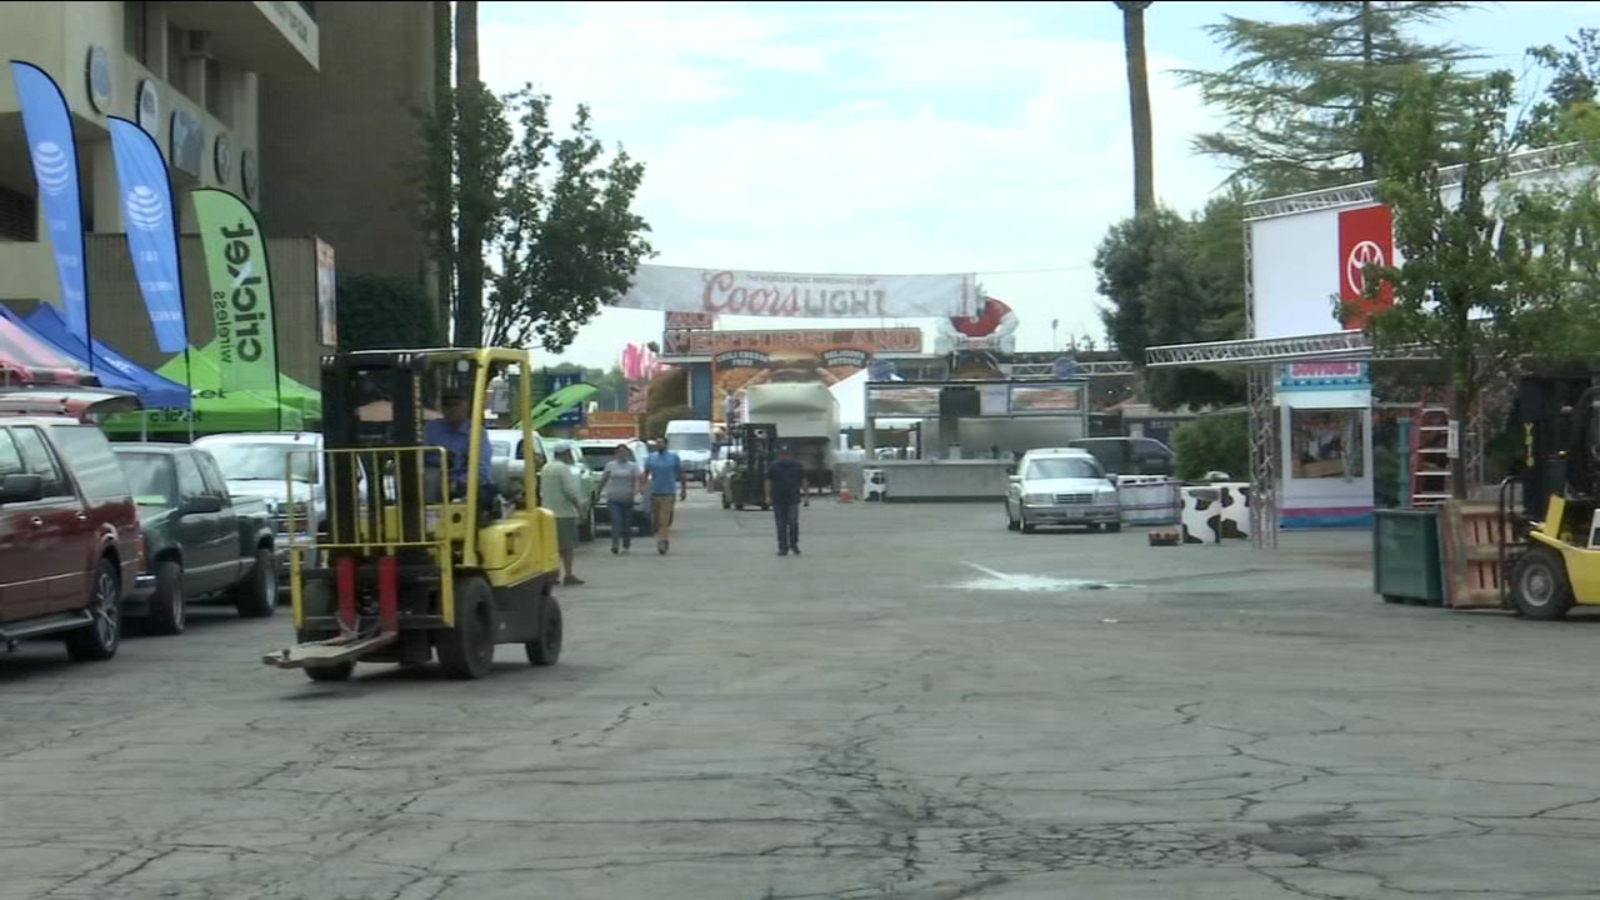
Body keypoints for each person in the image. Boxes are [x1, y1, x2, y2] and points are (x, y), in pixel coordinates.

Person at [424, 390, 494, 502]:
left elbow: (482, 470)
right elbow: (417, 456)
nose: (451, 409)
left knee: (481, 493)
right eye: (446, 405)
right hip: (435, 480)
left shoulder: (476, 432)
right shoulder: (431, 429)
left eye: (455, 404)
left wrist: (457, 483)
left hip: (464, 485)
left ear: (465, 406)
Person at [540, 441, 587, 585]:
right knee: (567, 547)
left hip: (548, 512)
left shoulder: (546, 467)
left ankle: (552, 574)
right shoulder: (563, 469)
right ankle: (568, 574)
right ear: (565, 453)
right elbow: (569, 491)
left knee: (552, 547)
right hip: (563, 512)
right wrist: (579, 508)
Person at [597, 442, 645, 555]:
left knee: (626, 523)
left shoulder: (632, 466)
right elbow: (604, 479)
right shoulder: (610, 465)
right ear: (616, 454)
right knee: (616, 522)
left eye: (624, 452)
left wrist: (637, 490)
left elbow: (639, 479)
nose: (622, 454)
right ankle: (615, 544)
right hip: (613, 498)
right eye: (619, 452)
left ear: (627, 453)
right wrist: (598, 492)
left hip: (627, 498)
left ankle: (626, 543)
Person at [642, 438, 687, 555]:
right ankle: (662, 536)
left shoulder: (673, 458)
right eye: (657, 443)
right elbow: (646, 473)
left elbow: (681, 473)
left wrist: (683, 490)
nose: (659, 445)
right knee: (657, 520)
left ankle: (662, 541)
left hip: (668, 493)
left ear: (666, 445)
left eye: (661, 443)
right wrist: (642, 486)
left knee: (664, 520)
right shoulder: (651, 458)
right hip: (655, 493)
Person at [765, 443, 809, 556]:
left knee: (793, 523)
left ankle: (794, 544)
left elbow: (803, 480)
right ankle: (782, 547)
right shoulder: (773, 466)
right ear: (779, 455)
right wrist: (768, 496)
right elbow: (768, 481)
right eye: (783, 454)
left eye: (787, 454)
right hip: (778, 499)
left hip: (793, 498)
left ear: (791, 454)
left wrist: (806, 496)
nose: (785, 456)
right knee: (781, 524)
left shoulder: (797, 466)